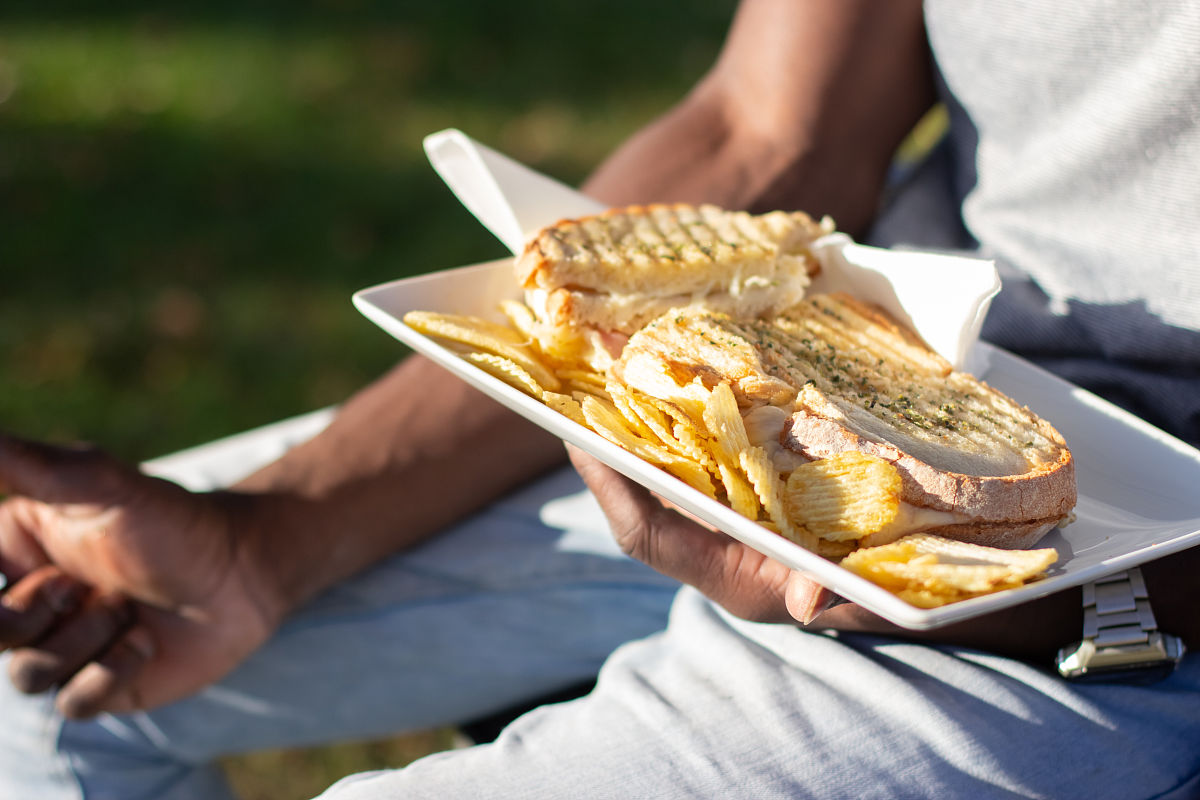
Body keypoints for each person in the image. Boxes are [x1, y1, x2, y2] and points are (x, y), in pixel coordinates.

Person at [2, 0, 1199, 797]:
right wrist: (272, 534)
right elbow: (769, 127)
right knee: (31, 706)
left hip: (1120, 616)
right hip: (842, 393)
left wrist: (1051, 598)